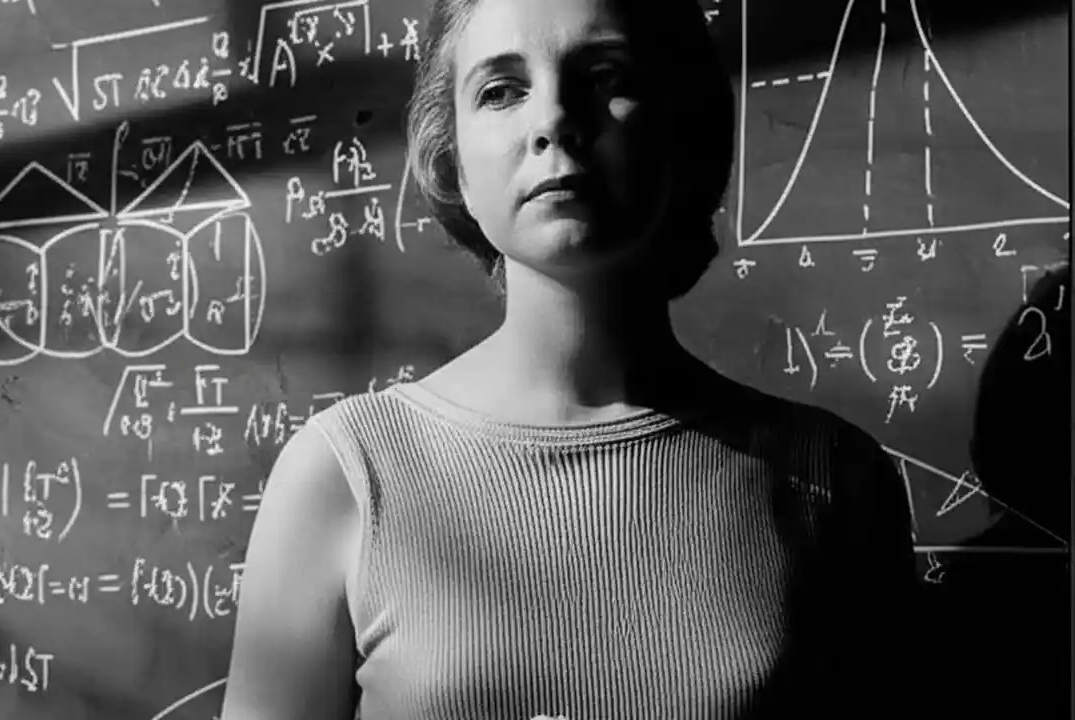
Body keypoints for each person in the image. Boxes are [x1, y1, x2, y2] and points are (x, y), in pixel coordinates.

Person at [220, 0, 919, 717]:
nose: (553, 119)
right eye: (501, 91)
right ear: (451, 159)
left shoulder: (830, 480)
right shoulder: (345, 476)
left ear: (684, 129)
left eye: (605, 75)